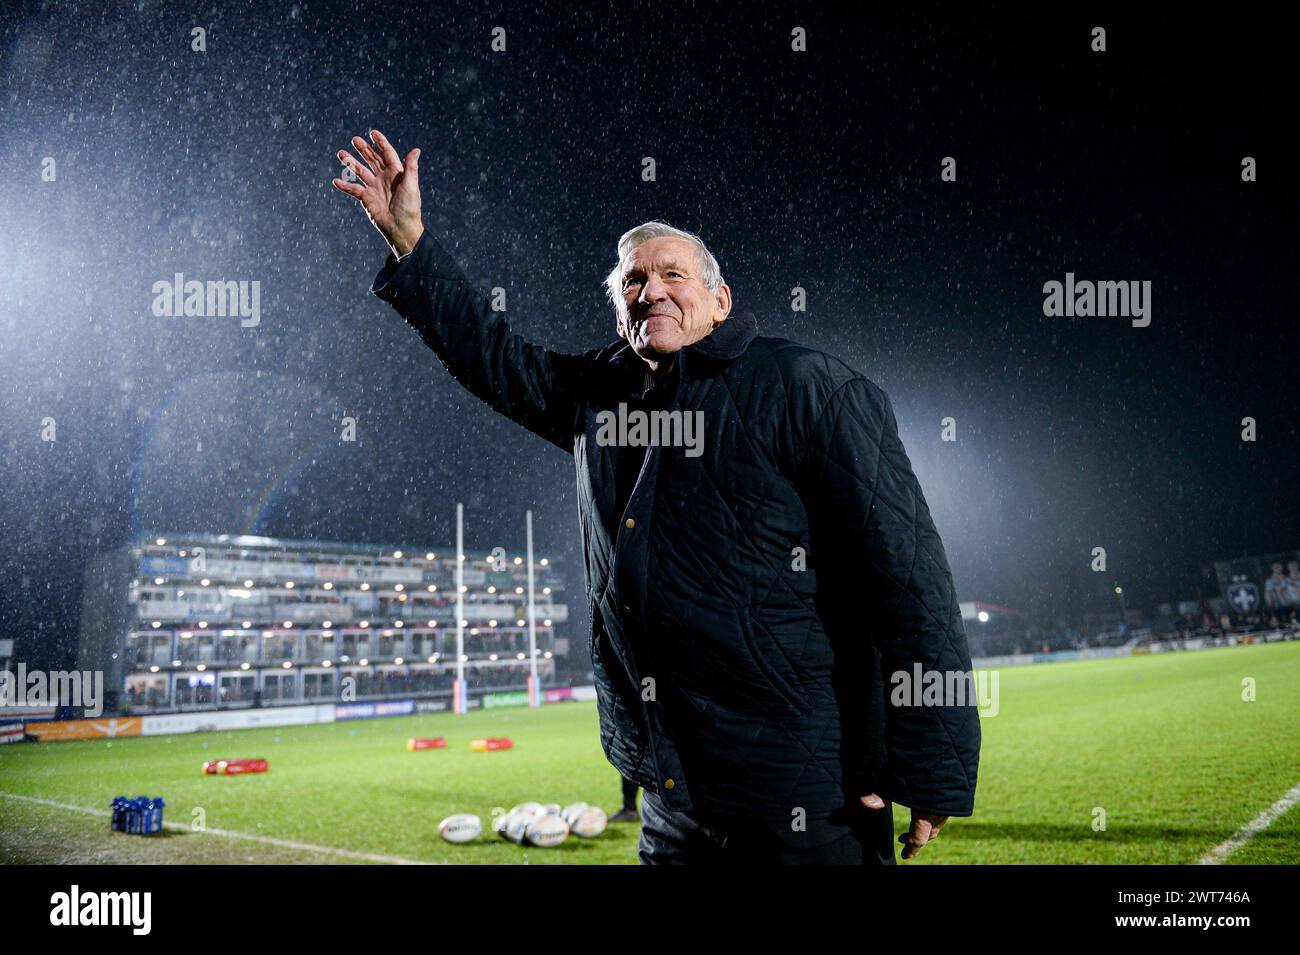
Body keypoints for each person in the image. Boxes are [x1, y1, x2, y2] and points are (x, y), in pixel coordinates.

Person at [333, 130, 980, 864]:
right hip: (672, 803)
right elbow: (492, 355)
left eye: (674, 274)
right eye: (633, 281)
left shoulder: (810, 388)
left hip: (807, 792)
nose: (653, 289)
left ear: (720, 298)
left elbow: (910, 578)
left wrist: (935, 762)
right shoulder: (597, 399)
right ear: (619, 313)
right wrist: (413, 244)